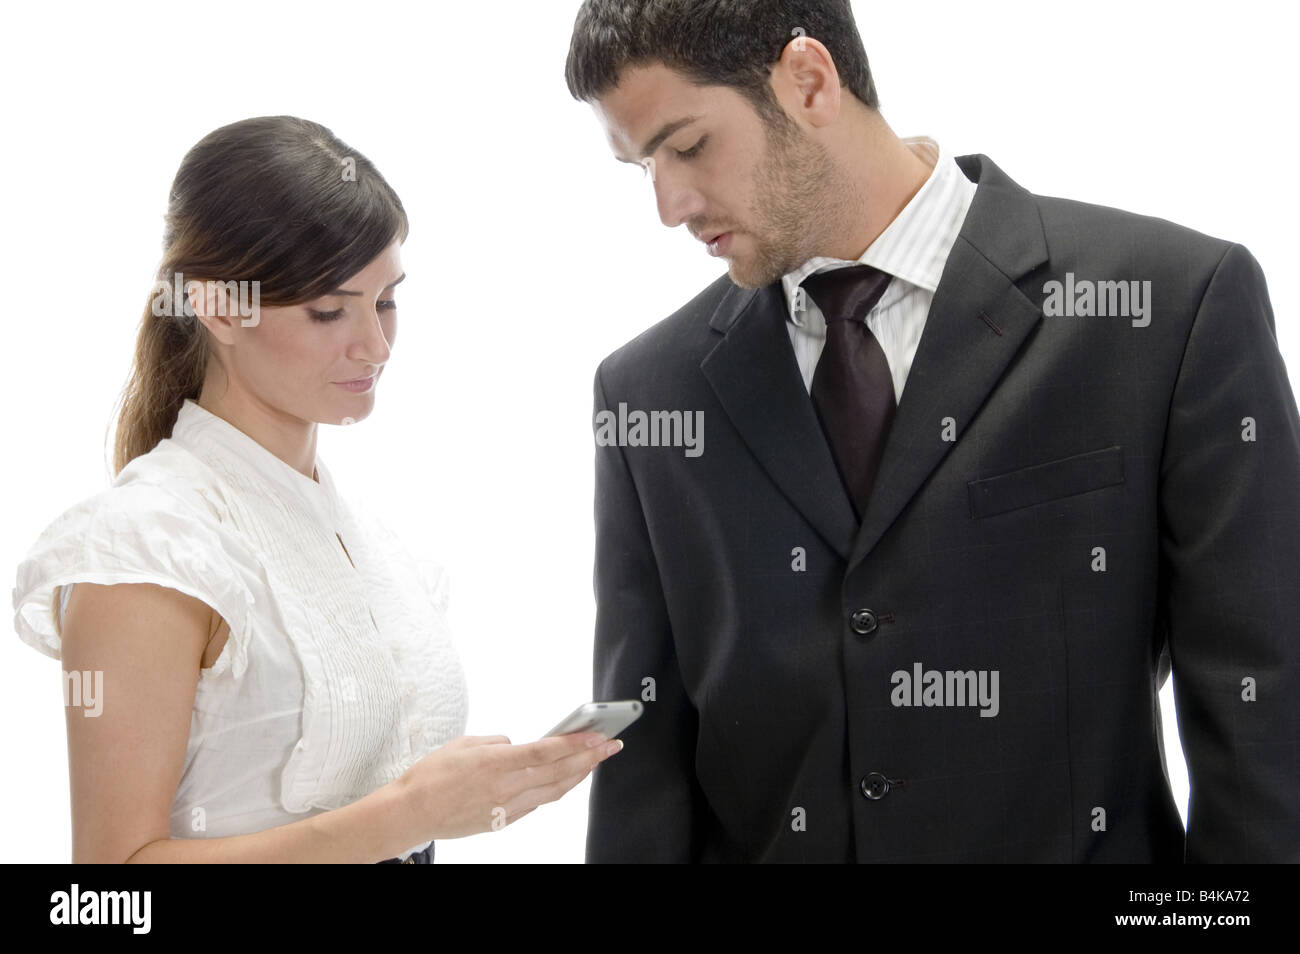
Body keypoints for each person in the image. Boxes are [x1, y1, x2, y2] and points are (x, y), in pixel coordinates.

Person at [564, 0, 1300, 862]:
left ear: (809, 82)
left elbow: (1267, 720)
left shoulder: (1168, 306)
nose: (669, 205)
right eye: (641, 167)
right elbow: (645, 774)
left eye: (687, 146)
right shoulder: (647, 395)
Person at [12, 115, 622, 864]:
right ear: (218, 307)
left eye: (387, 300)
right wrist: (410, 813)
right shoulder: (146, 546)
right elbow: (112, 890)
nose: (376, 346)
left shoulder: (372, 546)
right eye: (330, 310)